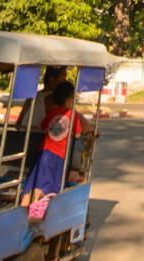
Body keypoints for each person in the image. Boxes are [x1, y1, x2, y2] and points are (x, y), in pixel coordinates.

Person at [20, 80, 93, 209]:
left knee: (32, 185)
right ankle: (36, 215)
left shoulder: (51, 113)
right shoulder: (73, 115)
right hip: (57, 157)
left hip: (43, 153)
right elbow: (77, 135)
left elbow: (43, 127)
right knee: (47, 188)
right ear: (70, 99)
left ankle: (21, 210)